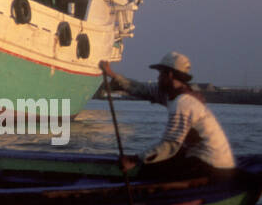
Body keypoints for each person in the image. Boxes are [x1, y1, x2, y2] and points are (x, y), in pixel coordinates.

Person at [100, 52, 235, 179]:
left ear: (169, 75)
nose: (158, 78)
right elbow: (143, 89)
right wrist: (113, 75)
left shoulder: (183, 103)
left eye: (160, 74)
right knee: (155, 162)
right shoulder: (172, 95)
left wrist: (135, 159)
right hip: (203, 158)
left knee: (149, 169)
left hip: (212, 164)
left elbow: (170, 145)